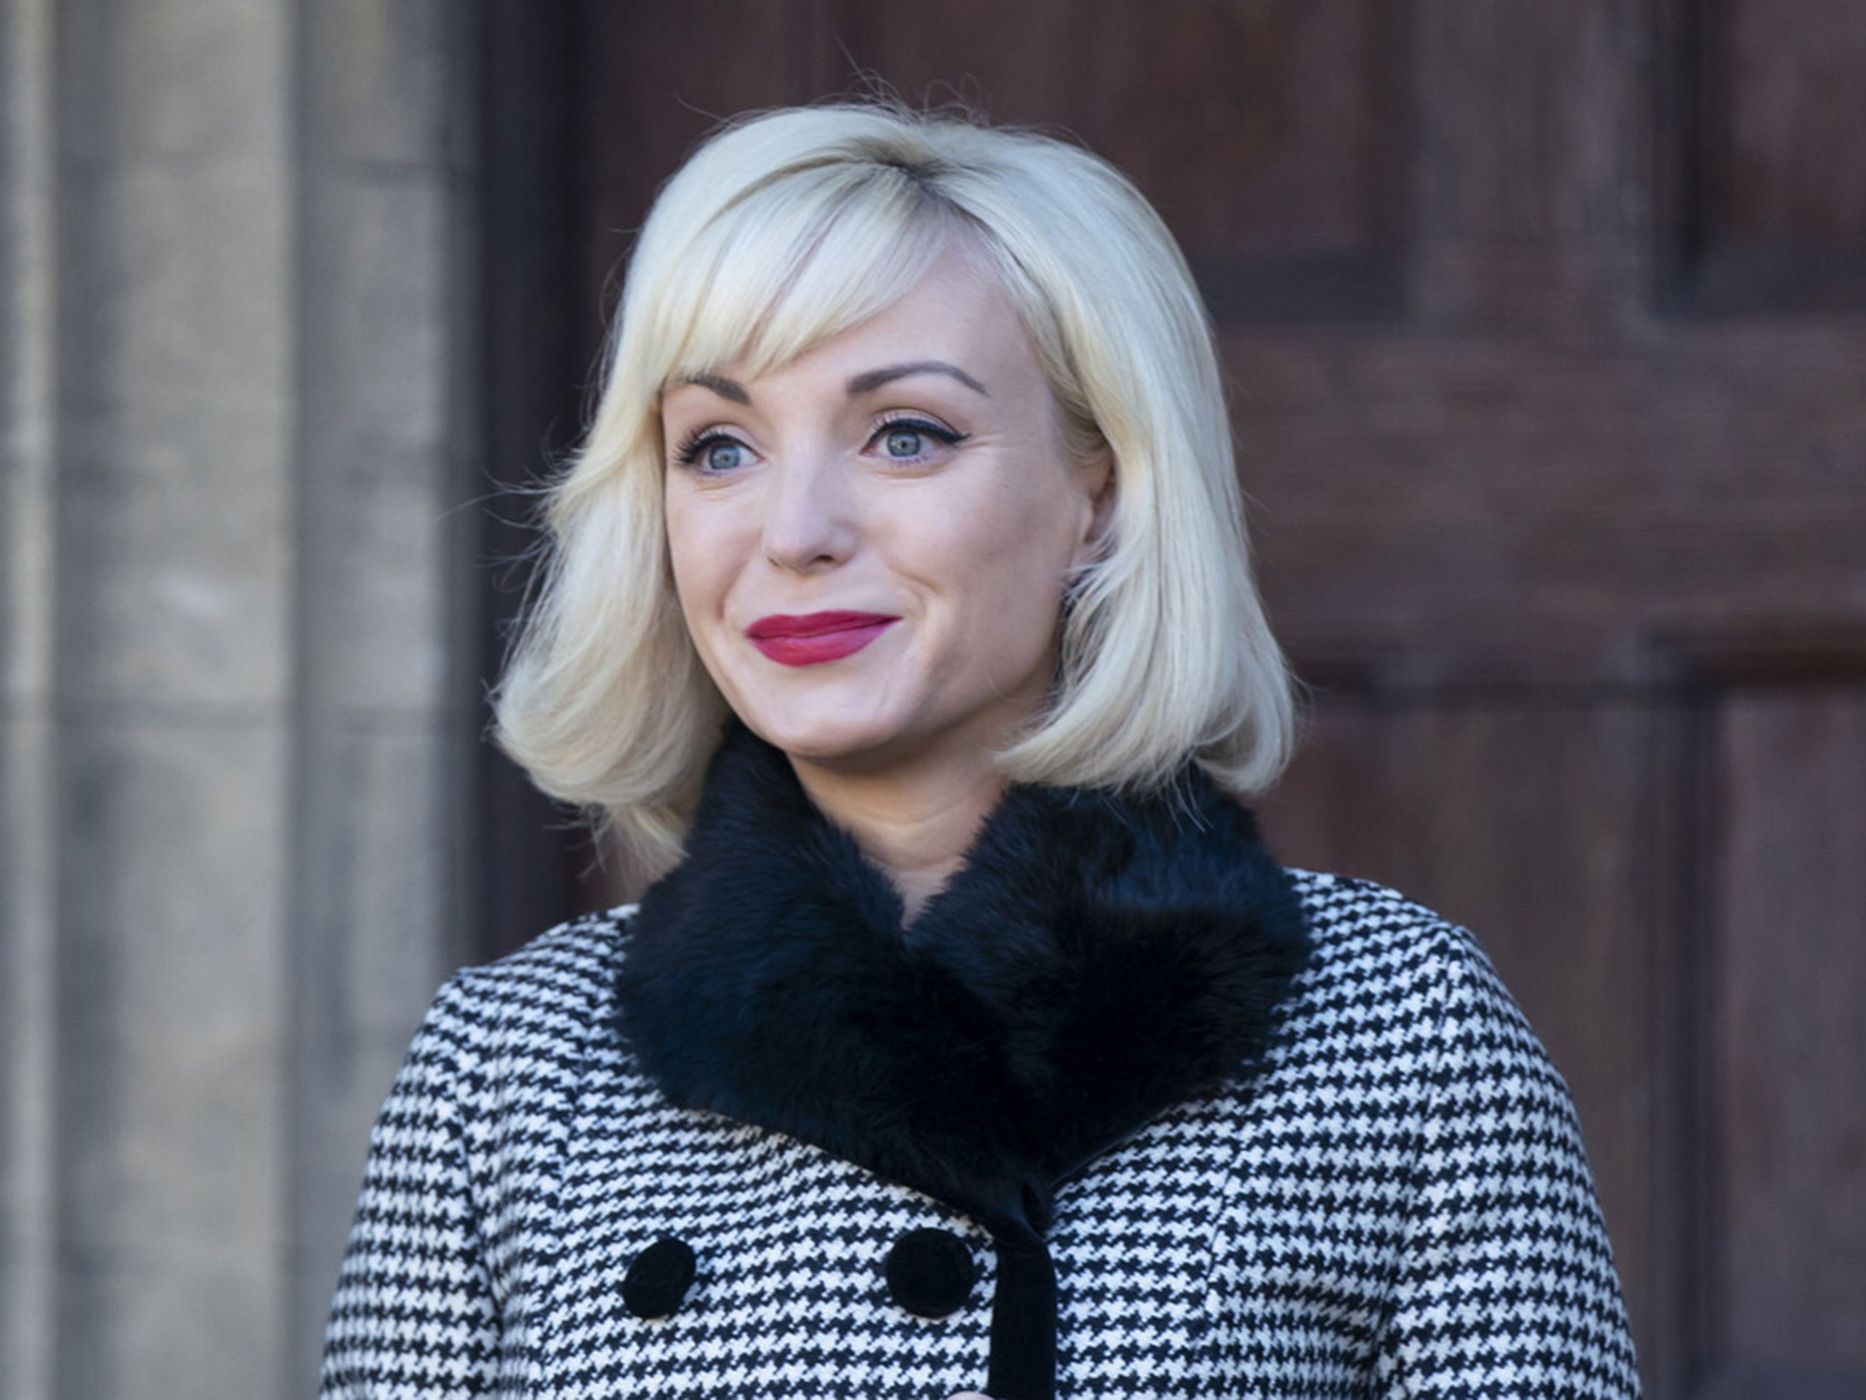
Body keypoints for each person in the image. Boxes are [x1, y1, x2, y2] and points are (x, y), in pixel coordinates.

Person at [320, 102, 1640, 1399]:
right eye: (717, 448)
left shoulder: (1397, 1025)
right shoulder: (505, 1066)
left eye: (907, 435)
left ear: (1100, 493)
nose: (794, 531)